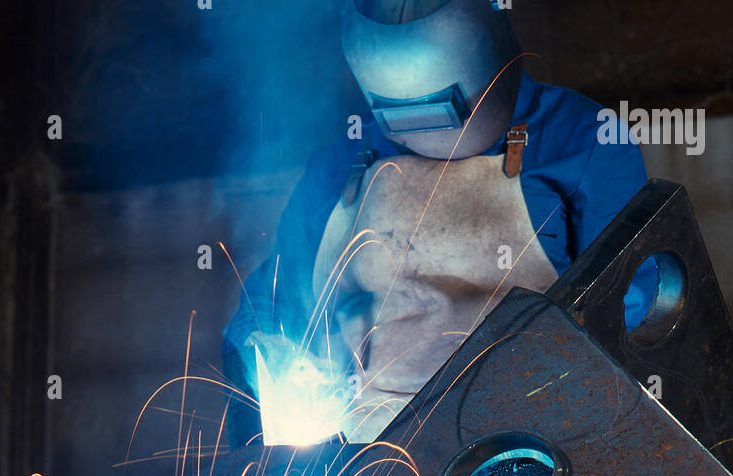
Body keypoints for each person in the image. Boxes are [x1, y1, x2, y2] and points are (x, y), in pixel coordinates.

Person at [224, 0, 657, 445]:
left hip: (532, 450)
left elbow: (631, 302)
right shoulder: (338, 168)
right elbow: (271, 301)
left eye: (440, 110)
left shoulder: (582, 140)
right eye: (400, 115)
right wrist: (273, 354)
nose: (425, 136)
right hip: (374, 465)